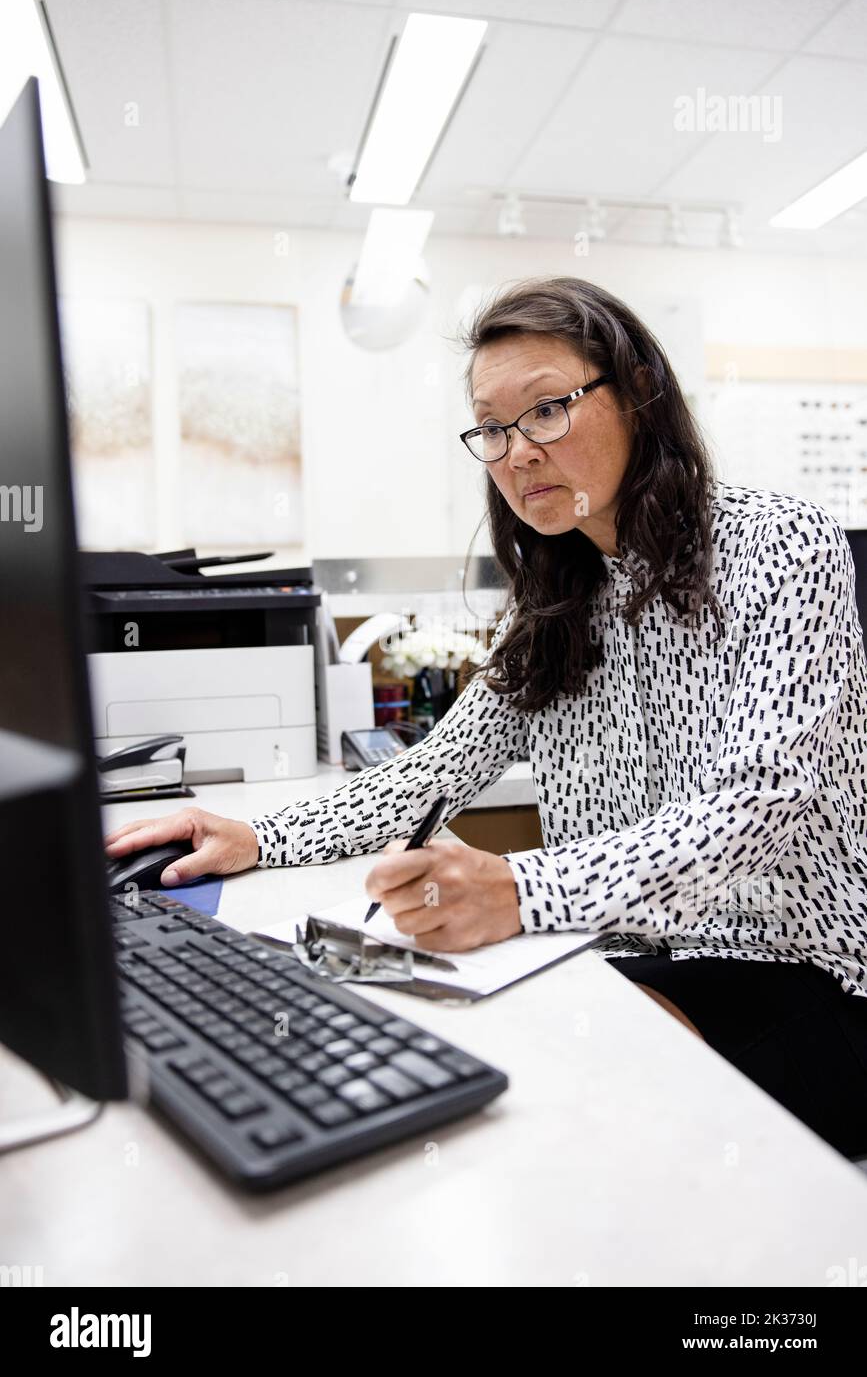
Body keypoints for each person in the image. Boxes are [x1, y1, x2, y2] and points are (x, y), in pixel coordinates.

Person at [105, 276, 867, 1158]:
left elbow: (754, 808)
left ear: (640, 396)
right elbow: (427, 776)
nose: (515, 452)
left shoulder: (776, 546)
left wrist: (521, 889)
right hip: (613, 951)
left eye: (546, 409)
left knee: (553, 1134)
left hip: (805, 978)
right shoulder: (555, 595)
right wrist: (256, 835)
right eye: (492, 427)